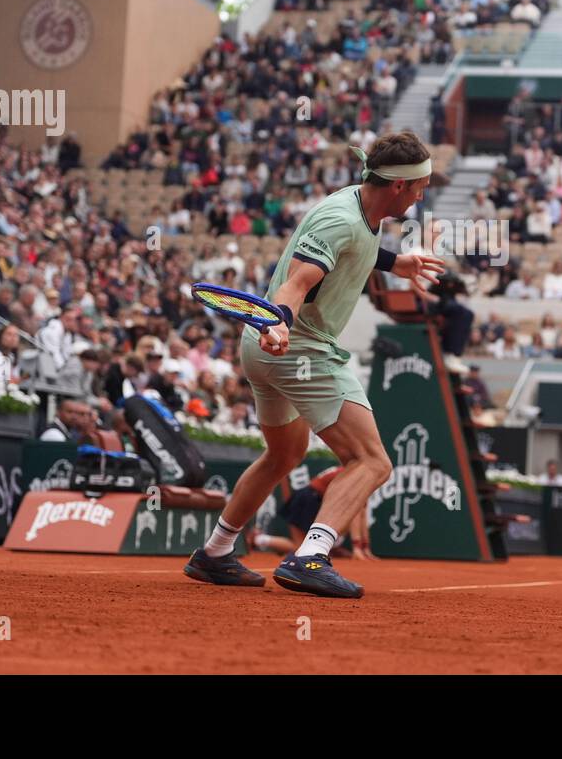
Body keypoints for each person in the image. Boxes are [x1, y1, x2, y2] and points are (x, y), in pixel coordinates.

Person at [184, 133, 444, 599]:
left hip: (263, 348)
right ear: (400, 187)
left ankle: (216, 552)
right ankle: (310, 556)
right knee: (371, 461)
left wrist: (396, 262)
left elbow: (356, 249)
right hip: (295, 347)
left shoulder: (360, 205)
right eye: (421, 185)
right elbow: (298, 282)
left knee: (285, 455)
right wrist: (280, 322)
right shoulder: (341, 218)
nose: (424, 193)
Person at [248, 466, 377, 561]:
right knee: (299, 547)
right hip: (307, 498)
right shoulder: (353, 477)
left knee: (302, 546)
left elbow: (362, 514)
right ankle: (258, 539)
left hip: (312, 499)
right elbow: (354, 514)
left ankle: (258, 539)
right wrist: (357, 548)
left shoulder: (356, 475)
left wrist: (365, 548)